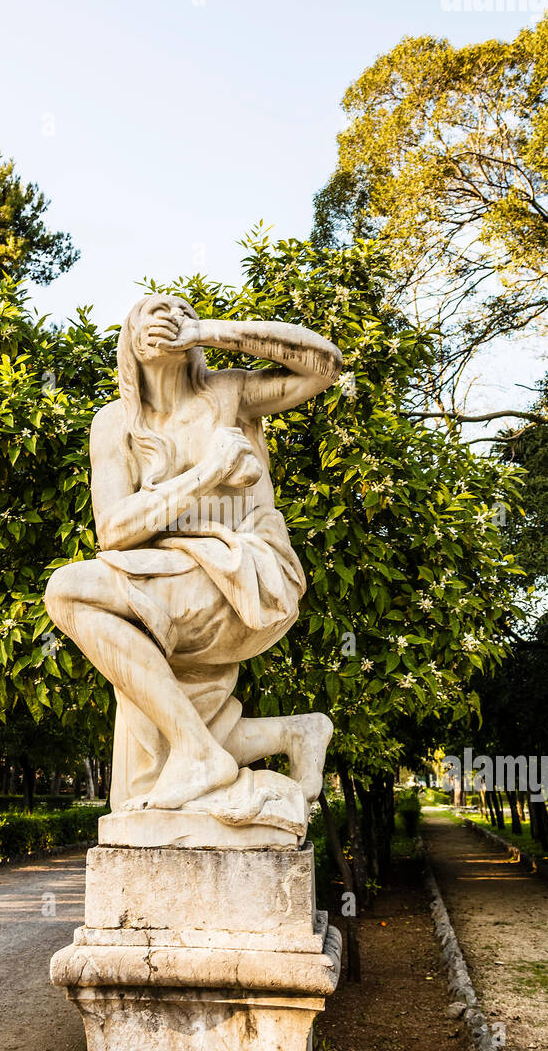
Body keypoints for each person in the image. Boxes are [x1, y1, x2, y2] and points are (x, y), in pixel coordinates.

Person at [45, 292, 342, 820]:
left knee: (68, 590)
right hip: (168, 575)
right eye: (149, 308)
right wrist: (207, 472)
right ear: (129, 341)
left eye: (180, 309)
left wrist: (207, 328)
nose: (166, 311)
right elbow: (112, 531)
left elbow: (325, 365)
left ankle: (200, 753)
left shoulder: (228, 393)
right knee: (137, 787)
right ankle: (289, 733)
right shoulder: (115, 424)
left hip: (247, 568)